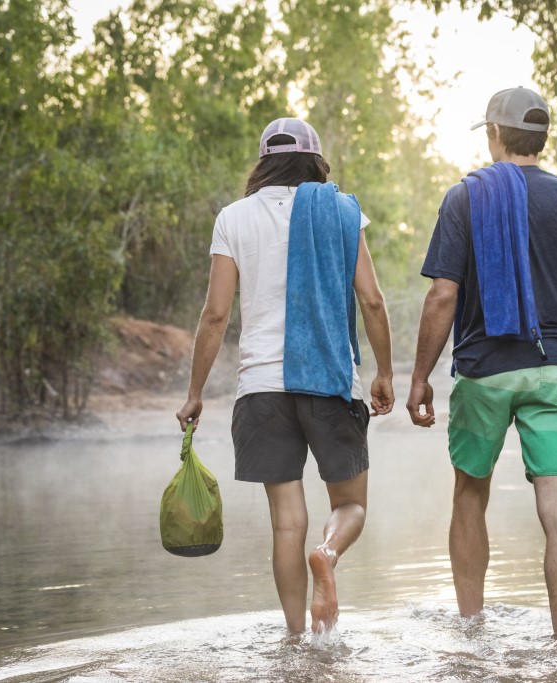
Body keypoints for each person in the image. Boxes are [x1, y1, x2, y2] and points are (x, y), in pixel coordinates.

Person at [405, 87, 557, 639]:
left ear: (494, 134)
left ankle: (471, 630)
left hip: (484, 370)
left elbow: (442, 296)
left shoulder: (466, 197)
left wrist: (420, 376)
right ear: (542, 138)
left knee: (471, 492)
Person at [176, 117, 395, 634]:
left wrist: (194, 394)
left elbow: (214, 315)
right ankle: (328, 553)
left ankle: (297, 639)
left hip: (260, 390)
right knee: (351, 504)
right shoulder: (342, 210)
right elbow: (371, 300)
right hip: (329, 381)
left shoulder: (234, 217)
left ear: (263, 162)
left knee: (286, 522)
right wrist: (385, 371)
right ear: (315, 162)